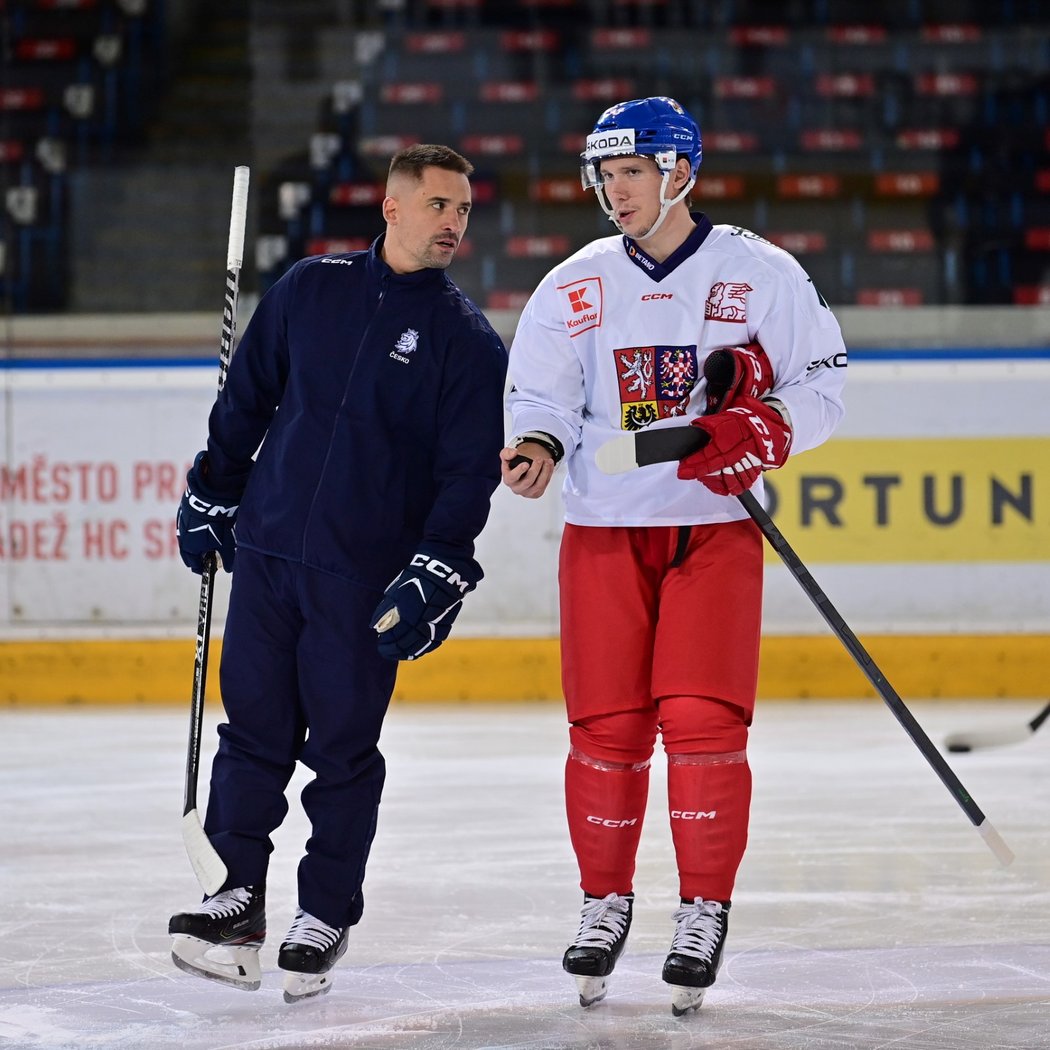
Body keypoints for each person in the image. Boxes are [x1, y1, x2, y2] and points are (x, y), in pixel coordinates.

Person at [501, 97, 847, 1016]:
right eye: (605, 176)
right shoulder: (574, 284)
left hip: (714, 528)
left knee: (701, 720)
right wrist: (535, 443)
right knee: (607, 728)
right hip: (604, 528)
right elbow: (538, 391)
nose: (615, 192)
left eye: (631, 173)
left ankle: (703, 909)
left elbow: (826, 384)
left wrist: (767, 429)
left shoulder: (759, 271)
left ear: (680, 171)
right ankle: (604, 902)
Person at [168, 144, 508, 1003]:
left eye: (463, 210)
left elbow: (468, 473)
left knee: (344, 753)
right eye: (439, 205)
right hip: (271, 555)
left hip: (363, 582)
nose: (453, 224)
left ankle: (324, 912)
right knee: (251, 736)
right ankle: (236, 897)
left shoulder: (465, 342)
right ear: (391, 208)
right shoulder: (310, 289)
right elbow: (246, 396)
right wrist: (212, 490)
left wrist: (441, 565)